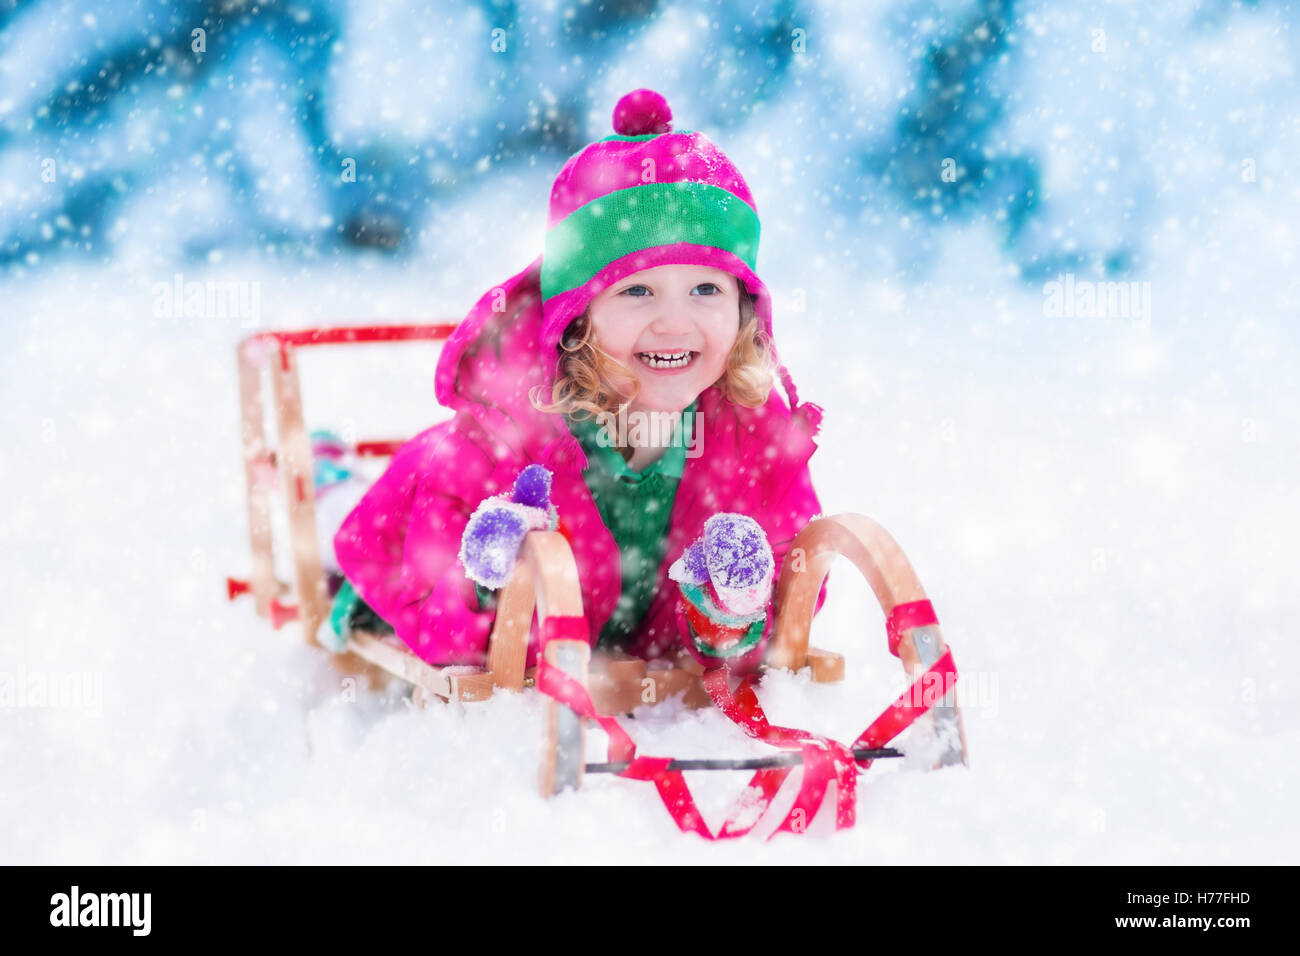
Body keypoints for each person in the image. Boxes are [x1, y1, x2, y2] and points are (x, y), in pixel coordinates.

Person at [328, 88, 829, 674]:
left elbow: (792, 577)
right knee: (335, 526)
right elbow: (439, 625)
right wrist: (486, 581)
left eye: (706, 290)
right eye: (637, 290)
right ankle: (328, 474)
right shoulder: (502, 442)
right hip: (395, 527)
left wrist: (732, 609)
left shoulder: (752, 434)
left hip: (617, 624)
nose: (675, 322)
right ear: (577, 317)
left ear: (743, 309)